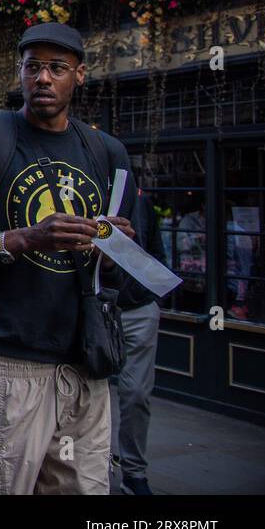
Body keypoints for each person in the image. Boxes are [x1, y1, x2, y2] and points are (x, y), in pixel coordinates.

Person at [0, 22, 138, 495]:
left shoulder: (108, 153)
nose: (43, 77)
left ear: (79, 76)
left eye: (57, 68)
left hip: (88, 370)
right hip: (9, 370)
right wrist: (23, 238)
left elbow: (136, 284)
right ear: (20, 73)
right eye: (32, 66)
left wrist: (116, 252)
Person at [110, 187, 163, 496]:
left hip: (137, 307)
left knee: (136, 394)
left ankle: (133, 473)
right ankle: (84, 462)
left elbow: (154, 248)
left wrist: (153, 298)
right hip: (96, 308)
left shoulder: (141, 202)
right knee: (85, 394)